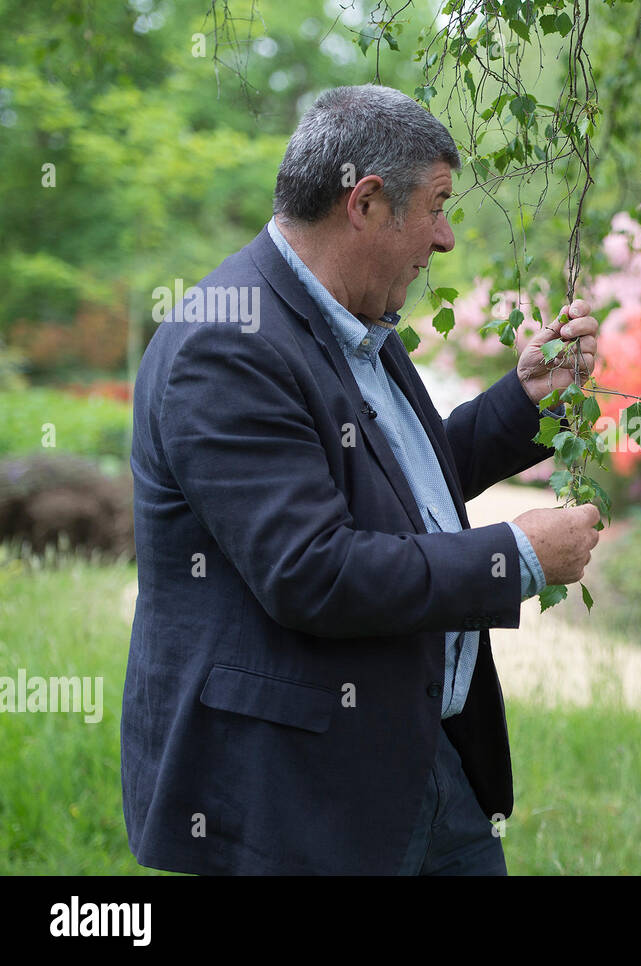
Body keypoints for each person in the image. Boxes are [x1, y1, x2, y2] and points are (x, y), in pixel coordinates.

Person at [122, 84, 600, 874]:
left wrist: (525, 402)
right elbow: (312, 571)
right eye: (438, 205)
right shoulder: (226, 345)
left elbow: (393, 489)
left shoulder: (355, 317)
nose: (446, 239)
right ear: (368, 203)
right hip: (297, 795)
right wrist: (513, 556)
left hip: (422, 756)